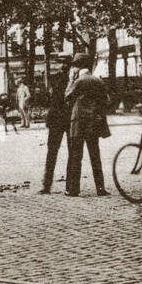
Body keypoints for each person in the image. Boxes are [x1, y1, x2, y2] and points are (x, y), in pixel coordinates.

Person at [65, 55, 110, 196]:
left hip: (78, 122)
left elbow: (67, 96)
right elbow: (106, 101)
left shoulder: (78, 81)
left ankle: (74, 189)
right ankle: (100, 188)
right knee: (95, 156)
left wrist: (71, 81)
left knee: (76, 156)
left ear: (78, 67)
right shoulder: (98, 80)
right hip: (93, 123)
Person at [39, 62, 71, 194]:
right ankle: (70, 186)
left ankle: (47, 185)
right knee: (72, 152)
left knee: (52, 153)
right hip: (67, 118)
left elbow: (47, 99)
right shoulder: (71, 79)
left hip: (56, 119)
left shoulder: (53, 78)